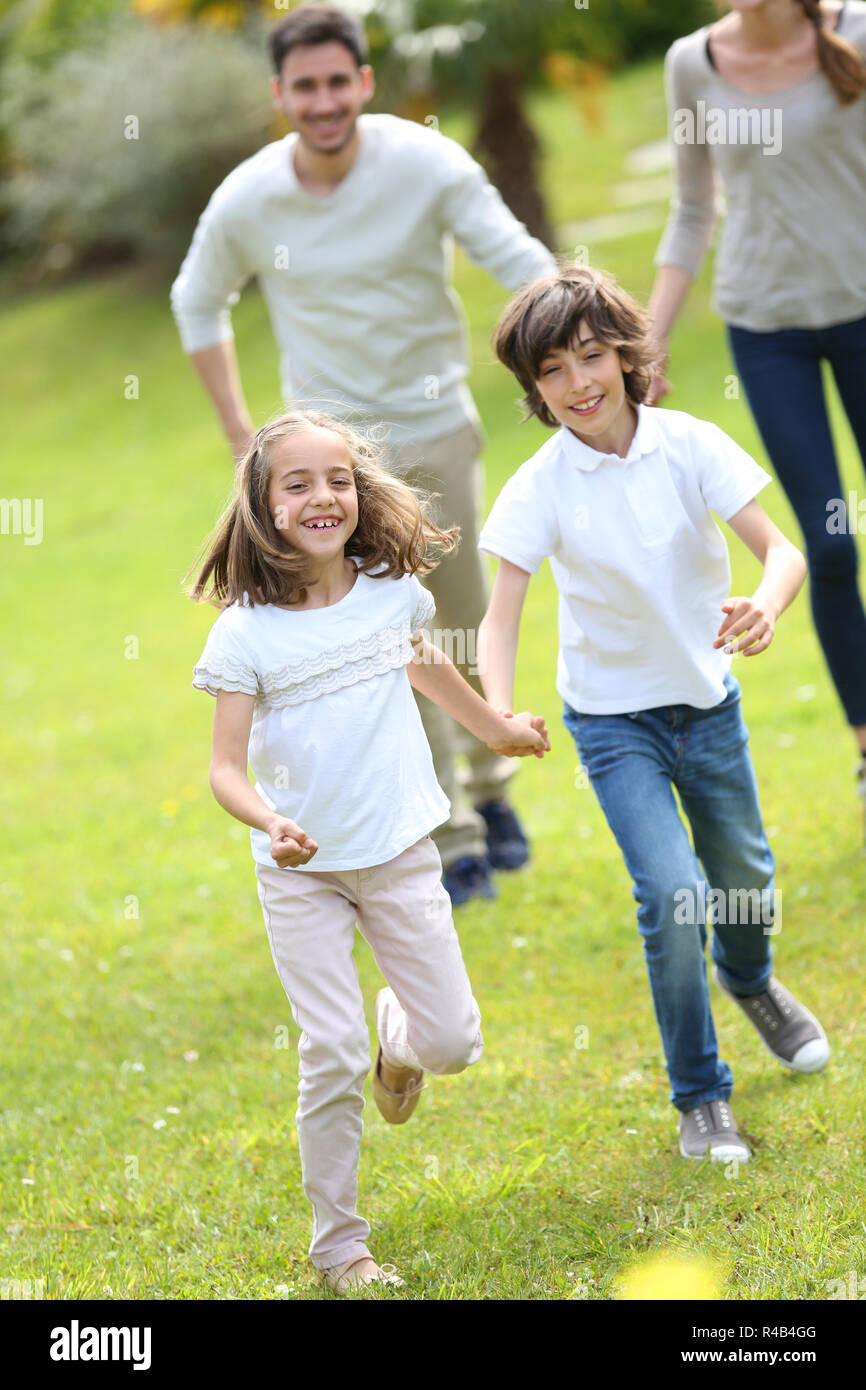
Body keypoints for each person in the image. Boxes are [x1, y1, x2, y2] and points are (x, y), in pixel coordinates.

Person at [171, 3, 558, 904]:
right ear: (280, 94)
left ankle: (489, 790)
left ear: (365, 83)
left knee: (451, 629)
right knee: (386, 644)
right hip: (328, 473)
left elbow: (519, 259)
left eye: (338, 81)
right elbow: (198, 302)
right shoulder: (249, 197)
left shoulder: (425, 163)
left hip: (435, 433)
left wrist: (581, 348)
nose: (324, 100)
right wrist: (242, 434)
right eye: (304, 86)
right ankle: (451, 834)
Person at [187, 409, 549, 1292]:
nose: (323, 497)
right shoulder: (245, 633)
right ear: (264, 506)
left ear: (360, 491)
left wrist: (494, 729)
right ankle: (340, 1245)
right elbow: (224, 768)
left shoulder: (391, 593)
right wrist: (267, 822)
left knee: (454, 1043)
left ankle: (401, 1035)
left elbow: (424, 663)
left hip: (395, 852)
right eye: (299, 484)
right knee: (330, 1050)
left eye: (338, 480)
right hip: (300, 873)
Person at [476, 263, 830, 1163]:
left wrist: (765, 603)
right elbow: (500, 614)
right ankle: (701, 1095)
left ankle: (750, 980)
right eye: (551, 371)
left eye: (591, 356)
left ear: (627, 357)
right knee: (674, 897)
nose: (576, 383)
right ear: (534, 389)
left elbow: (783, 552)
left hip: (708, 707)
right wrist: (497, 712)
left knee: (744, 879)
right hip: (612, 725)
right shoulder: (539, 485)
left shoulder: (689, 444)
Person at [647, 0, 866, 837]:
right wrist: (648, 341)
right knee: (831, 546)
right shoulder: (691, 63)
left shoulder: (856, 28)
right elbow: (692, 208)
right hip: (766, 323)